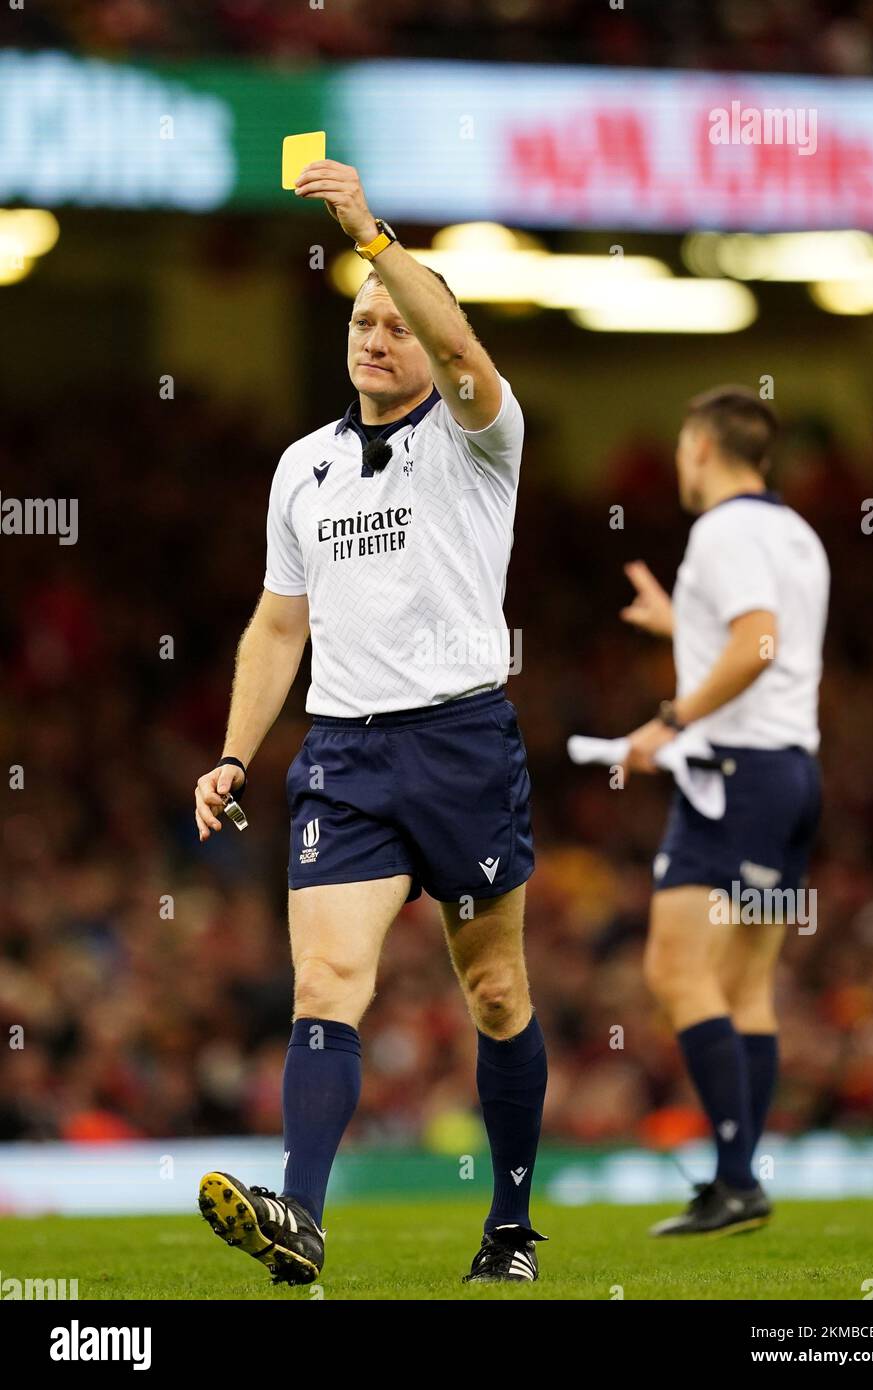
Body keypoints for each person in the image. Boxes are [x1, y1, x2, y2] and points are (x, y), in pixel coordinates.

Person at [193, 160, 545, 1285]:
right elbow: (277, 627)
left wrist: (371, 235)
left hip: (461, 741)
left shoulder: (484, 435)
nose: (375, 334)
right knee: (324, 985)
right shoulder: (304, 469)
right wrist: (235, 752)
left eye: (397, 320)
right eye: (360, 318)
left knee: (494, 992)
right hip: (345, 755)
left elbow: (466, 352)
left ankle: (509, 1224)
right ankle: (300, 1218)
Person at [620, 386, 828, 1236]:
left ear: (702, 447)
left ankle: (738, 1179)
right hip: (792, 774)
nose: (678, 460)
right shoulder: (794, 534)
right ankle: (737, 1181)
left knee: (675, 974)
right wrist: (681, 625)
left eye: (679, 444)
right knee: (746, 989)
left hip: (733, 775)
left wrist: (669, 719)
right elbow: (763, 646)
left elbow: (757, 643)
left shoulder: (724, 530)